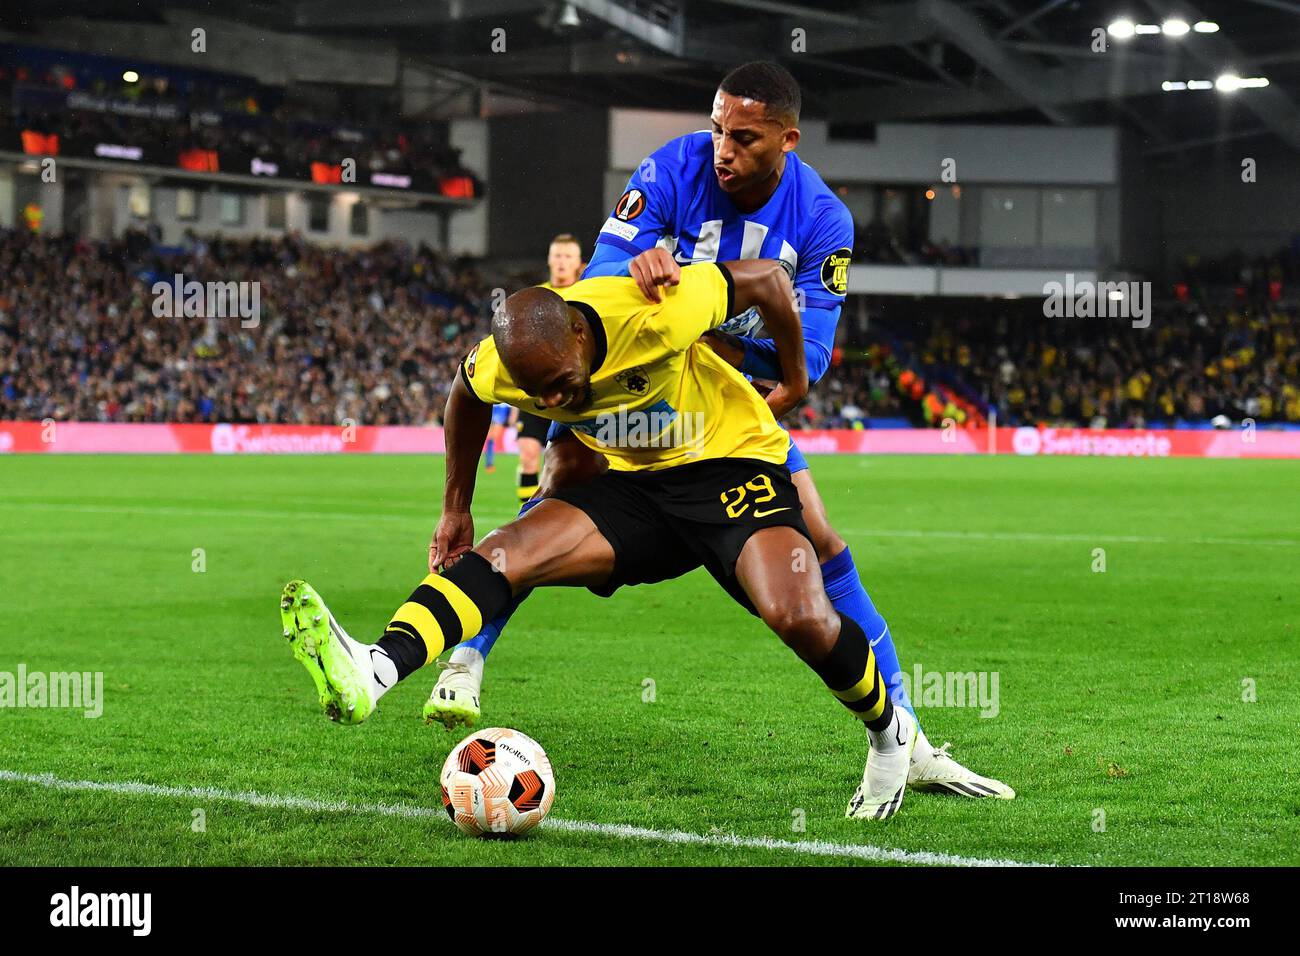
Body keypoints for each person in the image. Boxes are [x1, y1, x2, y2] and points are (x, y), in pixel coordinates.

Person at [427, 60, 1011, 800]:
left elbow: (810, 353)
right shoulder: (670, 167)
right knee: (555, 489)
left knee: (821, 543)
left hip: (723, 410)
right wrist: (661, 299)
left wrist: (704, 321)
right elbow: (604, 298)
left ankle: (909, 738)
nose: (722, 150)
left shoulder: (824, 219)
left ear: (787, 139)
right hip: (626, 389)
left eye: (743, 137)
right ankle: (468, 657)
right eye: (716, 129)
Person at [280, 259, 917, 820]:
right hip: (634, 486)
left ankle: (889, 738)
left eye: (560, 380)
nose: (553, 397)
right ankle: (375, 671)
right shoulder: (507, 361)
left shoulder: (657, 314)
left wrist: (797, 378)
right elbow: (465, 393)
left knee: (799, 615)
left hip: (731, 465)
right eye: (538, 393)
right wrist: (455, 509)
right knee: (504, 553)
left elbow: (768, 280)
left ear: (581, 334)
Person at [511, 234, 585, 502]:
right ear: (549, 259)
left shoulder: (588, 293)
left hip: (574, 394)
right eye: (557, 255)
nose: (562, 262)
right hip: (538, 391)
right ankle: (525, 516)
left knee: (569, 464)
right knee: (529, 453)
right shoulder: (535, 298)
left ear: (579, 263)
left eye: (568, 256)